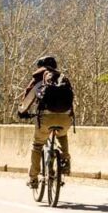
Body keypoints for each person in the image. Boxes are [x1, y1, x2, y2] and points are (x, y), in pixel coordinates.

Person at [17, 55, 73, 188]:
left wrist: (22, 112)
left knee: (37, 145)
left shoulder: (39, 79)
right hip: (65, 118)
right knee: (62, 135)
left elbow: (28, 98)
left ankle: (33, 179)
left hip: (46, 118)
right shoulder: (63, 78)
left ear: (40, 66)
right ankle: (65, 160)